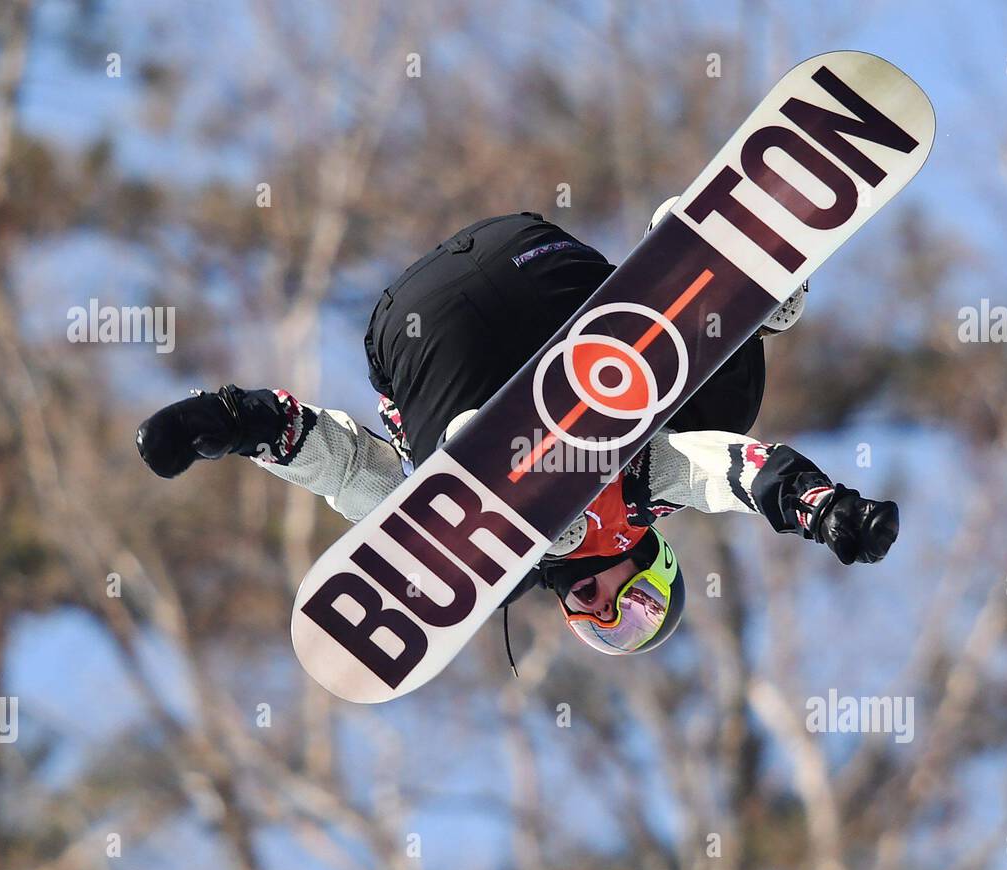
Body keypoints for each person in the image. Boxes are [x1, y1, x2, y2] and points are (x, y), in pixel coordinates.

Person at [136, 207, 898, 658]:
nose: (604, 614)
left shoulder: (487, 558)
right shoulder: (647, 495)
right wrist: (816, 506)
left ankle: (251, 420)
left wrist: (234, 427)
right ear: (654, 563)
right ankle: (715, 274)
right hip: (544, 289)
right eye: (635, 610)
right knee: (723, 410)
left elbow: (349, 474)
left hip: (426, 332)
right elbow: (723, 468)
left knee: (418, 517)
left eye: (608, 634)